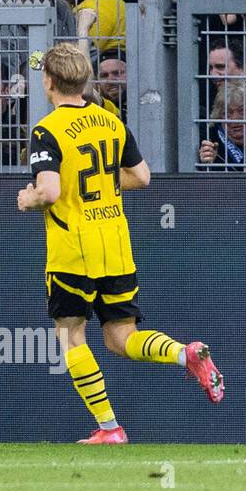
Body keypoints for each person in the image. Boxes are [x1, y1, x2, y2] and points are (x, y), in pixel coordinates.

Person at [18, 42, 224, 445]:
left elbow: (50, 191)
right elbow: (142, 176)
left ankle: (110, 428)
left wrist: (29, 199)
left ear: (49, 83)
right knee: (120, 338)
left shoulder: (47, 130)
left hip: (73, 250)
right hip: (116, 243)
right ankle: (185, 353)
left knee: (71, 334)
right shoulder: (110, 122)